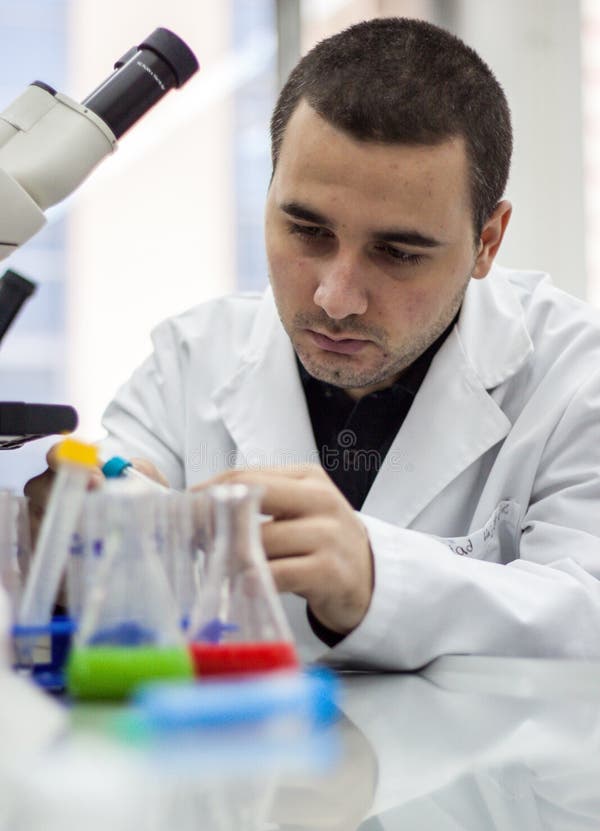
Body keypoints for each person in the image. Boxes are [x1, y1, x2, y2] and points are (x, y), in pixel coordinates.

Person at [26, 17, 600, 668]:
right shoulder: (190, 362)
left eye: (398, 252)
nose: (335, 297)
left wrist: (380, 582)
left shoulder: (577, 380)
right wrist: (84, 551)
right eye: (306, 231)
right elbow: (107, 598)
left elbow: (588, 616)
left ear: (487, 242)